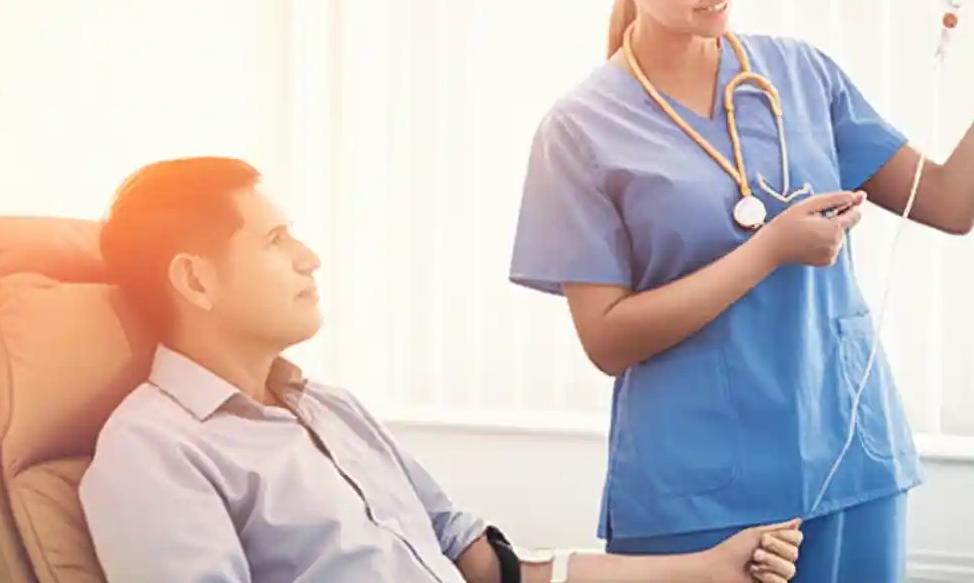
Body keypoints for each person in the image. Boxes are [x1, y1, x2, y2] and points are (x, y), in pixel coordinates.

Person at [507, 0, 974, 580]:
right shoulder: (581, 130)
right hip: (698, 494)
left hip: (849, 456)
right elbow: (606, 339)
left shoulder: (801, 74)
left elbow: (948, 201)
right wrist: (768, 252)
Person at [78, 156, 805, 583]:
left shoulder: (328, 408)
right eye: (274, 239)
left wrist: (707, 568)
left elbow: (490, 566)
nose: (309, 257)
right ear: (196, 281)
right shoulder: (152, 452)